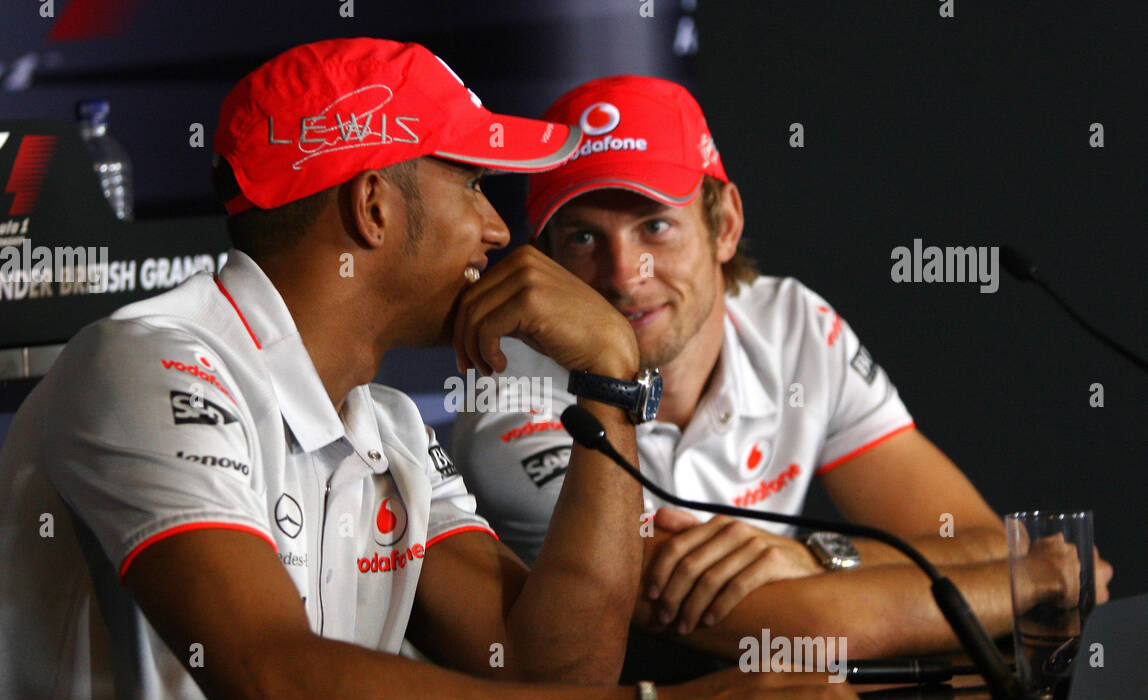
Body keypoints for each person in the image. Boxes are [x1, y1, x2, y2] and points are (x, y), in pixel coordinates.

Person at [0, 41, 864, 700]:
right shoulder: (148, 358)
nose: (498, 229)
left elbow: (543, 670)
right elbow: (279, 692)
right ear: (373, 208)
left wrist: (609, 379)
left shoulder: (387, 424)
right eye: (473, 185)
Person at [450, 75, 1112, 661]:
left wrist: (813, 556)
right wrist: (1045, 579)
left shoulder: (792, 324)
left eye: (655, 225)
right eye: (585, 237)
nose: (626, 276)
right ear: (552, 261)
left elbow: (973, 537)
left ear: (726, 224)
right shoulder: (514, 395)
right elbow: (811, 631)